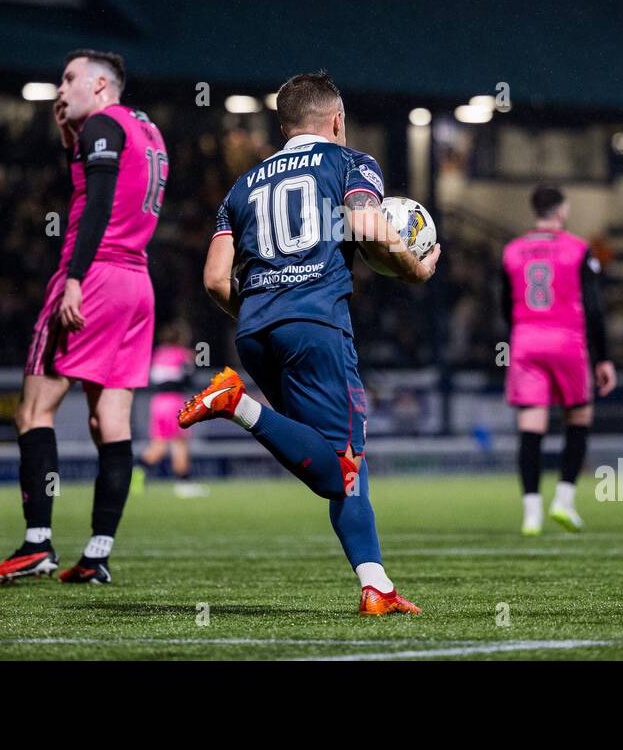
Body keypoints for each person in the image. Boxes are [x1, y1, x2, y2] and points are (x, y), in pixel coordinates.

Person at [178, 71, 440, 615]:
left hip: (253, 331)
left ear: (284, 126)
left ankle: (377, 586)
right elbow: (368, 227)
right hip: (316, 327)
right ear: (337, 120)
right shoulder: (351, 163)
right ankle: (237, 404)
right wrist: (414, 270)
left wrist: (259, 307)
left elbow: (213, 279)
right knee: (339, 468)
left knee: (343, 460)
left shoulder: (241, 186)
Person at [0, 50, 167, 585]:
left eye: (68, 79)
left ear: (102, 85)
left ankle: (37, 544)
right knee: (110, 422)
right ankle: (97, 553)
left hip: (97, 278)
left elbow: (99, 205)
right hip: (137, 283)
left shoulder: (102, 125)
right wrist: (69, 146)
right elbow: (106, 190)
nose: (60, 90)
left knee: (33, 412)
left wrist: (76, 278)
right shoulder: (146, 131)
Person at [500, 186, 616, 535]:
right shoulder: (579, 250)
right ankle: (564, 501)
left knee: (531, 428)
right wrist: (604, 357)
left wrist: (520, 333)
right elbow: (594, 308)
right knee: (578, 418)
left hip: (526, 342)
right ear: (561, 210)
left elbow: (504, 305)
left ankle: (531, 514)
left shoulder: (511, 251)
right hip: (567, 341)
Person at [136, 321, 206, 497]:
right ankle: (184, 483)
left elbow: (153, 378)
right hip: (174, 401)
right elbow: (188, 380)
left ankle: (134, 475)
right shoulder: (182, 355)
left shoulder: (158, 354)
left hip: (158, 402)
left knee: (158, 445)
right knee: (180, 443)